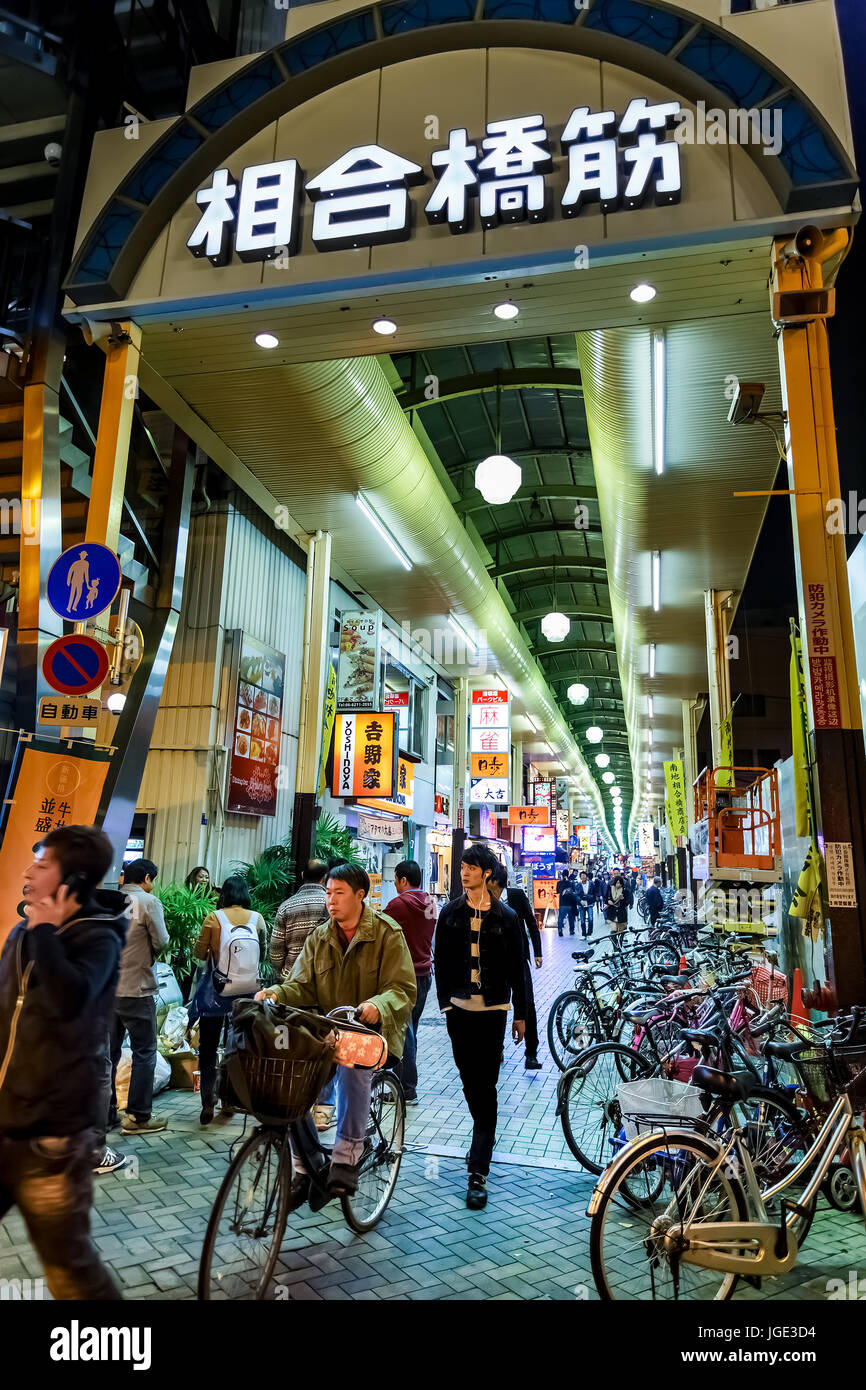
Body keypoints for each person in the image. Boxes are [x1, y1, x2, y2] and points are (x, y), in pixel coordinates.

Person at [0, 825, 126, 1299]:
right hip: (5, 1121)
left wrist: (48, 934)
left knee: (70, 1274)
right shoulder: (26, 930)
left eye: (42, 864)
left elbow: (70, 999)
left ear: (71, 880)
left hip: (52, 1139)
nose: (29, 871)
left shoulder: (100, 940)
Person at [258, 863, 415, 1201]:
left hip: (372, 1034)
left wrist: (378, 1004)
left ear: (361, 895)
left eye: (339, 893)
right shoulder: (320, 937)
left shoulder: (387, 933)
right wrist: (277, 993)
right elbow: (300, 985)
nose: (331, 900)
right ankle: (305, 1163)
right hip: (329, 1029)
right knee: (292, 1079)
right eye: (328, 892)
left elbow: (402, 988)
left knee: (352, 1068)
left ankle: (346, 1157)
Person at [434, 845, 526, 1211]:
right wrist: (444, 1004)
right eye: (462, 867)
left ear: (487, 874)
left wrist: (521, 1015)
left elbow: (518, 968)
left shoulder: (506, 917)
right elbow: (440, 959)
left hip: (493, 1010)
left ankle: (478, 1170)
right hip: (459, 1010)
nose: (464, 872)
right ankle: (482, 1129)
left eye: (471, 867)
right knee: (469, 1080)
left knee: (485, 1085)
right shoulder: (450, 913)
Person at [193, 874, 267, 1126]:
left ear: (223, 893)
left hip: (216, 990)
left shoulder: (214, 918)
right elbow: (263, 954)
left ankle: (207, 1100)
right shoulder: (257, 919)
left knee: (208, 1047)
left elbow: (199, 953)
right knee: (234, 1046)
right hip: (246, 992)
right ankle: (228, 1098)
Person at [107, 857, 170, 1138]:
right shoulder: (147, 902)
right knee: (145, 1051)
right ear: (146, 878)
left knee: (109, 1053)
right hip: (136, 988)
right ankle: (137, 1116)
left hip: (108, 988)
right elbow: (162, 940)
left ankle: (106, 1113)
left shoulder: (110, 900)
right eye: (151, 880)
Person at [383, 860, 437, 1105]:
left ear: (404, 880)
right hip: (425, 974)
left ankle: (406, 1088)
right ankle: (400, 1084)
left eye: (396, 880)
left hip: (403, 976)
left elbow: (378, 931)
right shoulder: (431, 903)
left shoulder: (397, 905)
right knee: (410, 1028)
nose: (394, 884)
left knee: (404, 1032)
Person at [488, 864, 542, 1070]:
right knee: (496, 1005)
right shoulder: (482, 899)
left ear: (495, 881)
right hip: (494, 963)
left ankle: (531, 1053)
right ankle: (496, 1048)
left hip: (518, 959)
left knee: (527, 1004)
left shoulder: (517, 895)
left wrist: (537, 951)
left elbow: (531, 923)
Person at [269, 859, 328, 980]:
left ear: (302, 875)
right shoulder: (332, 905)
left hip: (292, 977)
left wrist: (283, 971)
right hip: (324, 978)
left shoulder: (286, 906)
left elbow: (275, 951)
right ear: (325, 878)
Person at [605, 872, 632, 940]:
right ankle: (615, 946)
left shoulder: (625, 891)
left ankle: (620, 945)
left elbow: (627, 902)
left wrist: (623, 900)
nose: (618, 884)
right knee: (613, 930)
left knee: (620, 931)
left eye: (619, 883)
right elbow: (606, 898)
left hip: (621, 913)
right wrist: (608, 901)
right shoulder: (610, 889)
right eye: (616, 883)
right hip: (612, 912)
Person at [556, 870, 577, 937]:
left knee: (561, 918)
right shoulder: (571, 883)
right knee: (571, 918)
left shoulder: (559, 883)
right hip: (570, 903)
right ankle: (571, 931)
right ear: (568, 874)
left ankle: (560, 930)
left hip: (562, 903)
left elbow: (557, 891)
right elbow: (574, 891)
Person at [574, 870, 593, 938]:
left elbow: (594, 893)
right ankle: (584, 934)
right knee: (582, 920)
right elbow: (576, 895)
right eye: (582, 876)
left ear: (586, 877)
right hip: (581, 905)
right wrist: (580, 900)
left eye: (584, 876)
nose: (583, 877)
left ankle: (589, 934)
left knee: (591, 919)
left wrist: (592, 900)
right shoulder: (578, 885)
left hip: (589, 904)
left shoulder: (591, 884)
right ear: (580, 877)